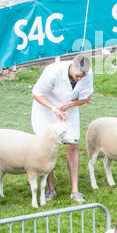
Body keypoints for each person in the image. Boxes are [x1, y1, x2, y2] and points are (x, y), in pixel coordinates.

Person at [31, 54, 93, 201]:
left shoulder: (87, 74)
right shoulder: (53, 71)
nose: (80, 79)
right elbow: (36, 93)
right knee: (49, 147)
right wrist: (53, 108)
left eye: (82, 76)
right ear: (72, 66)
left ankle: (75, 190)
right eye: (78, 75)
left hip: (68, 110)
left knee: (73, 145)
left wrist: (71, 104)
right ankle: (50, 188)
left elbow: (86, 97)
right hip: (46, 110)